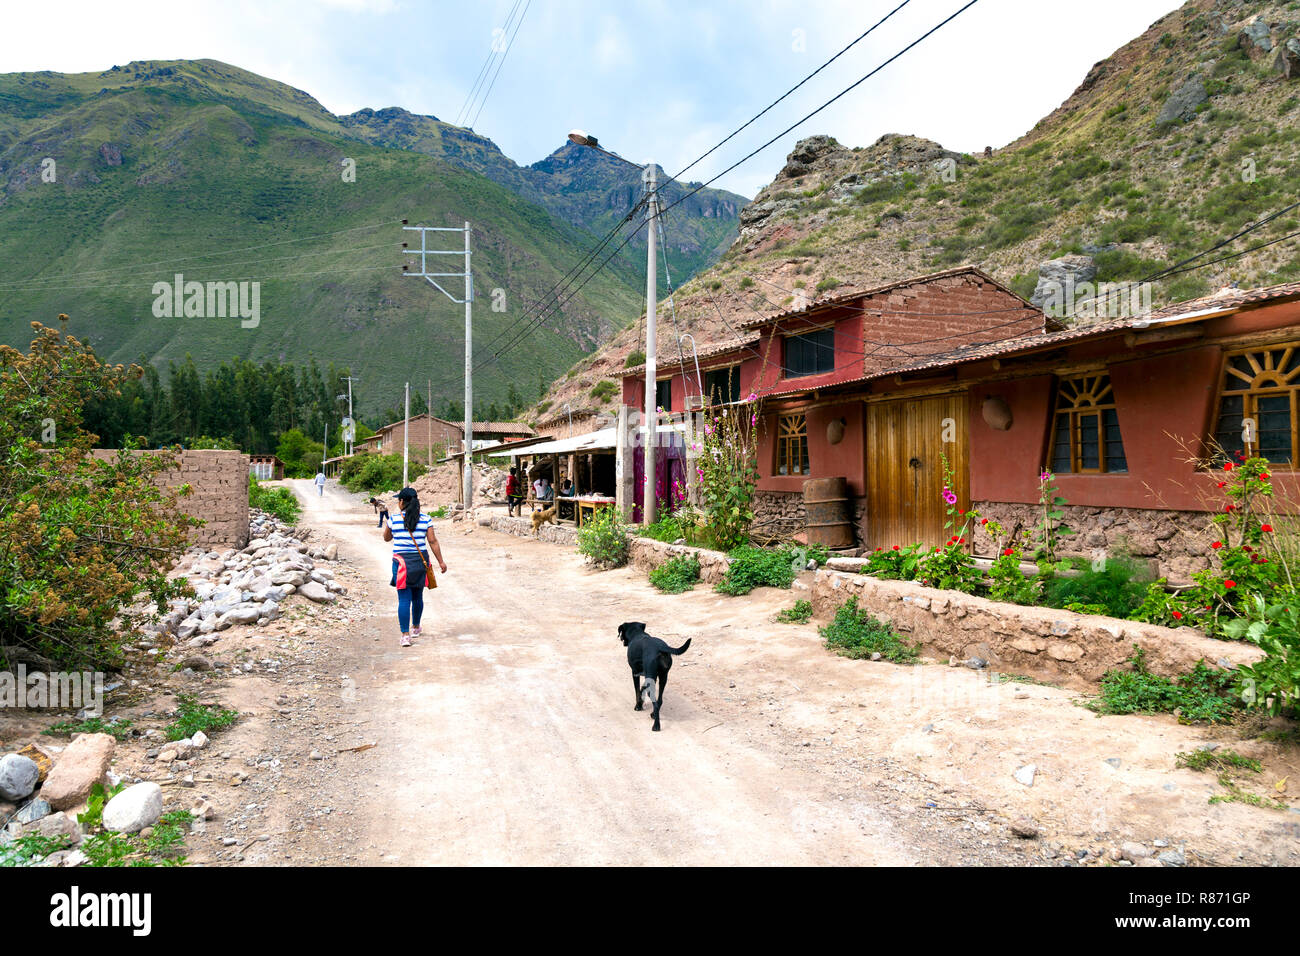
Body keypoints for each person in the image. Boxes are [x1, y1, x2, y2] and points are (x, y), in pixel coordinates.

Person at [382, 487, 447, 647]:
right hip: (420, 562)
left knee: (404, 599)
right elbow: (432, 541)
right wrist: (441, 562)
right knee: (418, 597)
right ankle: (416, 627)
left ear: (402, 502)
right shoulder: (426, 519)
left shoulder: (394, 519)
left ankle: (405, 635)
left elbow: (386, 538)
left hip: (401, 562)